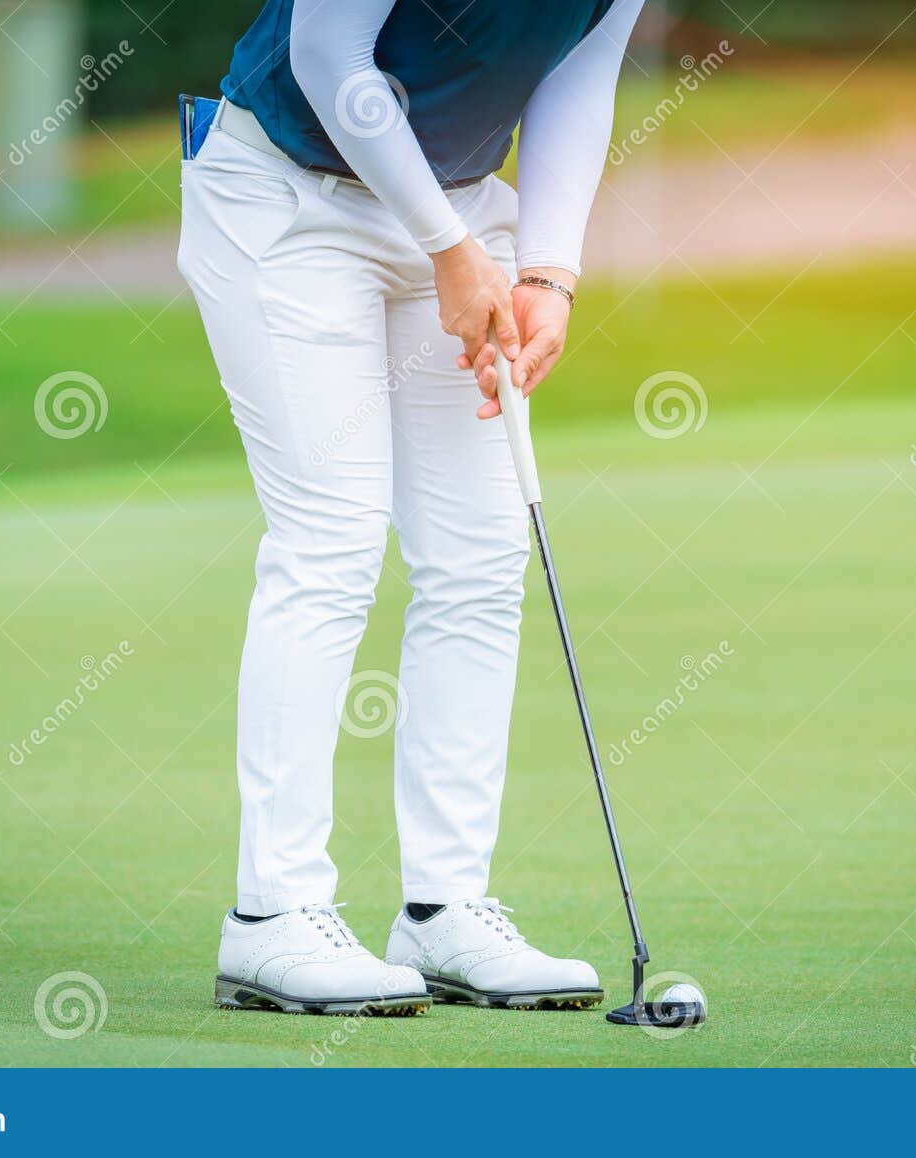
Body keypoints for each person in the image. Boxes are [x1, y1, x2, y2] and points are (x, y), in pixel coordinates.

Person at [179, 0, 644, 1016]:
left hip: (466, 211)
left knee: (480, 559)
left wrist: (548, 272)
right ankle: (271, 916)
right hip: (286, 202)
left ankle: (443, 910)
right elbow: (323, 52)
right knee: (330, 546)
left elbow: (576, 75)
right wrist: (447, 244)